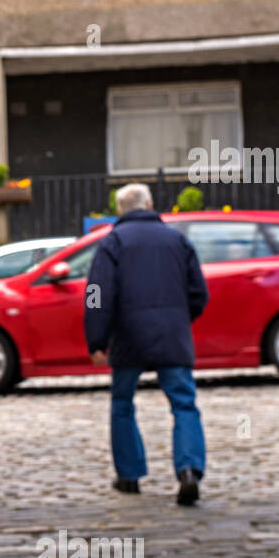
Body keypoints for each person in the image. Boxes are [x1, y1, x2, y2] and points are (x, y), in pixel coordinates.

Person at [83, 184, 209, 506]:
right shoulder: (177, 240)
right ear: (150, 204)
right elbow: (199, 292)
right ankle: (189, 469)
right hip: (171, 334)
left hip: (128, 336)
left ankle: (129, 475)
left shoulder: (112, 243)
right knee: (183, 403)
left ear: (120, 211)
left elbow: (97, 294)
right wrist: (180, 318)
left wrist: (97, 338)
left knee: (122, 403)